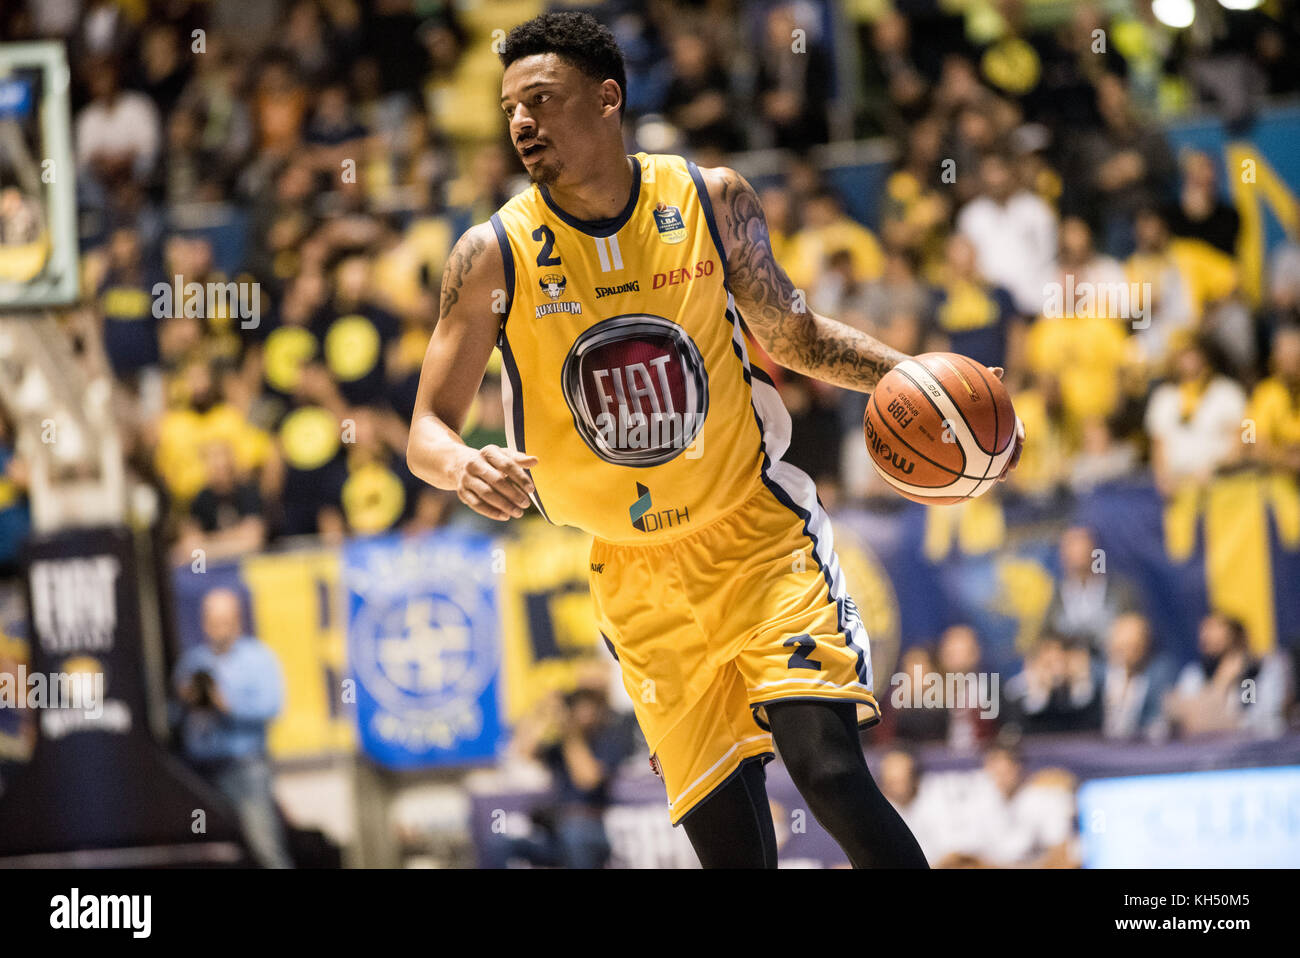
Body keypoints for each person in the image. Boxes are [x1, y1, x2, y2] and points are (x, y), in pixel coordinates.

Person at [406, 11, 1024, 870]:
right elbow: (424, 430)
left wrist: (912, 380)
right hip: (634, 576)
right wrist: (462, 464)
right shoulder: (492, 255)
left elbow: (798, 338)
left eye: (542, 100)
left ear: (607, 99)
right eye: (510, 106)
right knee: (734, 852)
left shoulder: (708, 199)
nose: (521, 123)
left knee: (830, 772)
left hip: (757, 536)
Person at [173, 588, 291, 868]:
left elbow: (272, 707)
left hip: (245, 769)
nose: (219, 628)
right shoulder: (193, 662)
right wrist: (184, 701)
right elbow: (172, 716)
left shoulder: (258, 658)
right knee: (211, 853)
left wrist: (228, 705)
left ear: (238, 620)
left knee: (265, 848)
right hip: (200, 772)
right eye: (213, 621)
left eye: (225, 620)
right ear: (203, 622)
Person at [489, 685, 638, 869]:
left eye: (589, 707)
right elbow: (524, 751)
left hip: (591, 828)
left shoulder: (608, 740)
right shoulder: (560, 745)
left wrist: (570, 732)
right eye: (577, 706)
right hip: (557, 830)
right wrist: (542, 711)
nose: (583, 713)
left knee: (574, 834)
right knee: (500, 843)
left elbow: (587, 780)